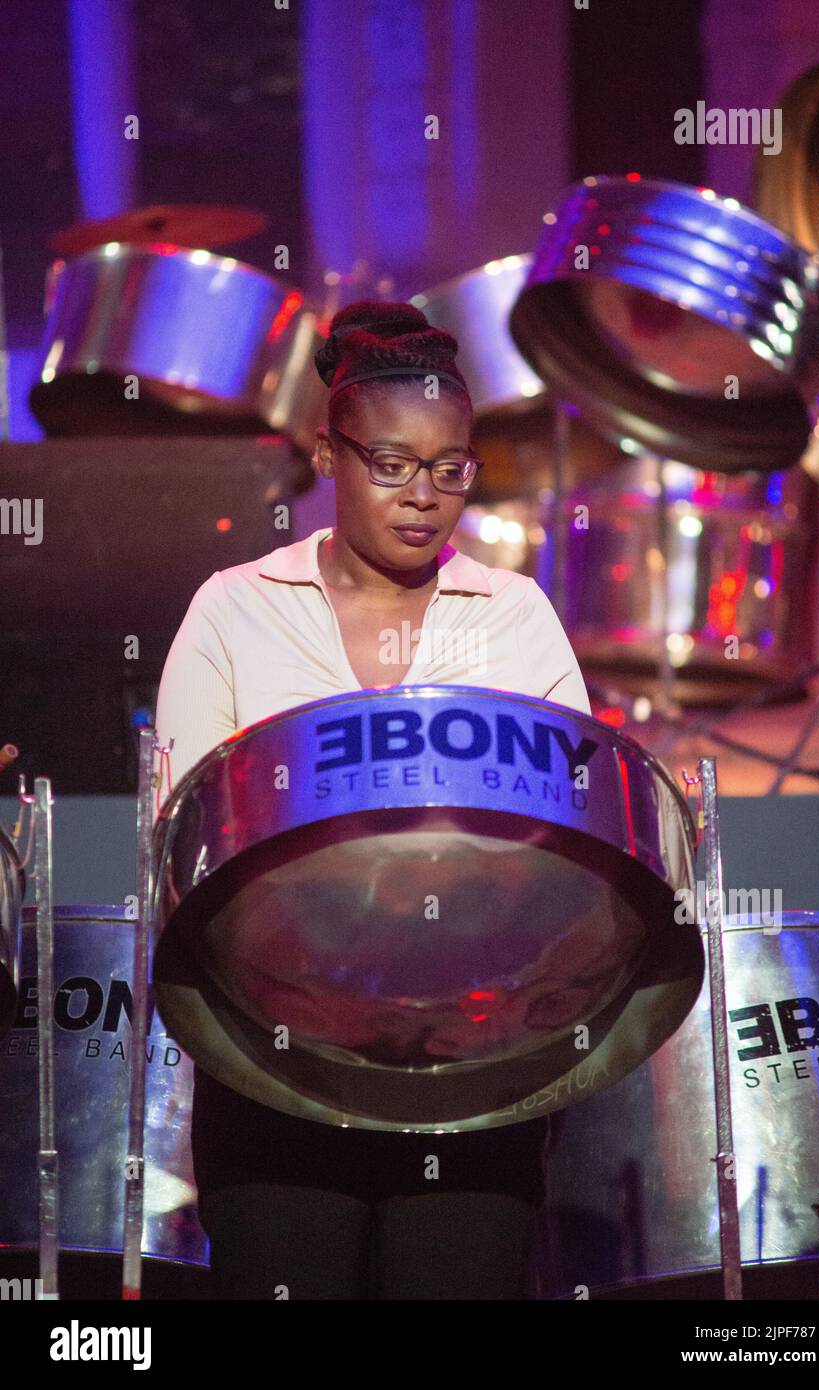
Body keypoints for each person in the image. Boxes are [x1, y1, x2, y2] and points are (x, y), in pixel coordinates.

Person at [154, 300, 592, 1300]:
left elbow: (572, 843)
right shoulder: (236, 609)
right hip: (277, 1070)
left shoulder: (513, 615)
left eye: (449, 469)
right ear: (328, 454)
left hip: (472, 1071)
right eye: (389, 463)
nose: (421, 496)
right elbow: (177, 838)